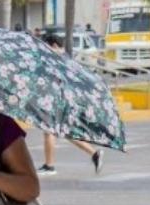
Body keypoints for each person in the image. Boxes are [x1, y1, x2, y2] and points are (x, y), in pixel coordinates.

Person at [39, 35, 103, 175]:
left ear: (54, 45)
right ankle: (94, 153)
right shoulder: (67, 58)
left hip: (57, 99)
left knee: (49, 131)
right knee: (65, 132)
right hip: (66, 99)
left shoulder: (57, 58)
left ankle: (49, 166)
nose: (44, 49)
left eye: (46, 46)